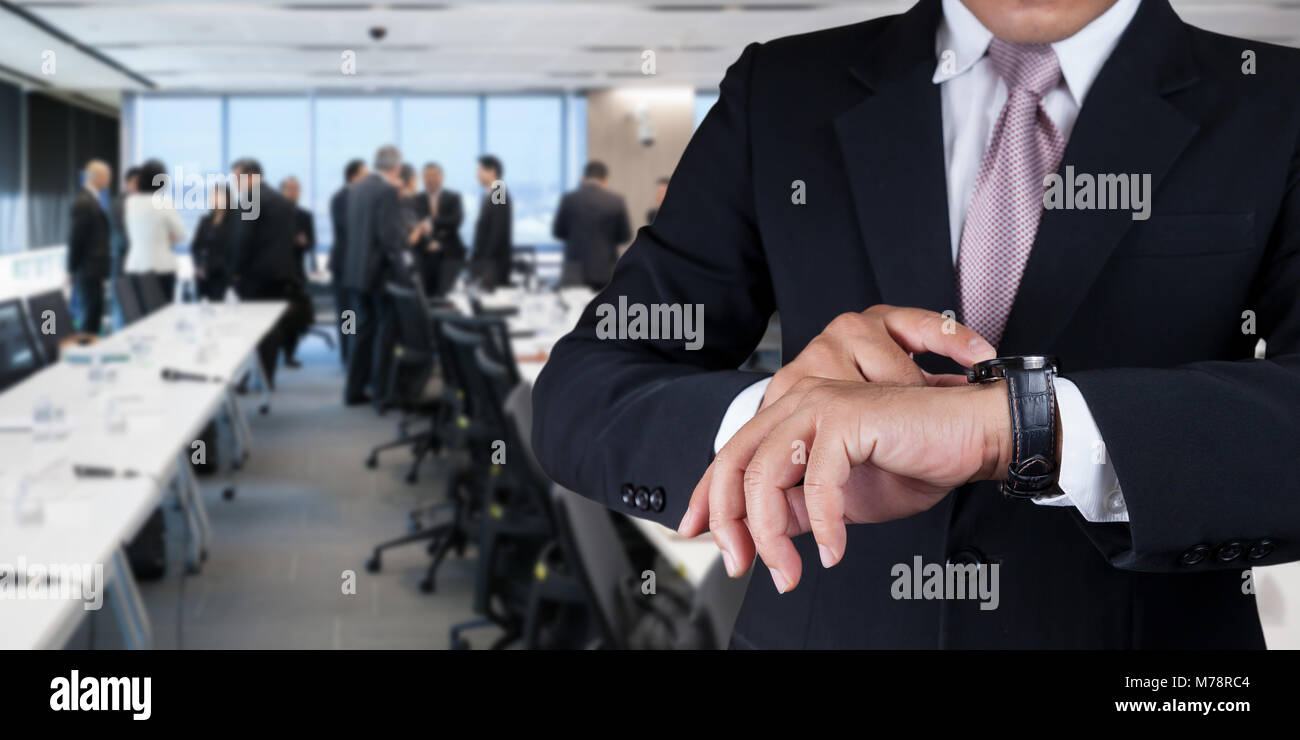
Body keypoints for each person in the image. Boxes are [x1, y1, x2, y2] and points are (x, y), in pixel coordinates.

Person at [533, 0, 1300, 650]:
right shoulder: (782, 92)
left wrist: (1018, 427)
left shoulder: (1278, 103)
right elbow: (584, 388)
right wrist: (787, 426)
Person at [340, 145, 407, 406]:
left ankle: (354, 390)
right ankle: (381, 393)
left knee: (361, 332)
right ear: (396, 168)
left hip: (355, 273)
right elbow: (388, 238)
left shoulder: (355, 189)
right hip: (379, 276)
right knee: (384, 334)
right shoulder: (387, 191)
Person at [228, 158, 300, 388]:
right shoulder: (282, 201)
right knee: (271, 327)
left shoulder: (251, 197)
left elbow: (243, 240)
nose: (235, 183)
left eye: (237, 178)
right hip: (280, 274)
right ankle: (267, 377)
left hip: (254, 275)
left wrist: (235, 272)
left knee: (249, 328)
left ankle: (246, 378)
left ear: (251, 176)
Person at [552, 160, 632, 291]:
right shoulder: (616, 201)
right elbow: (625, 236)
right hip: (605, 269)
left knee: (575, 309)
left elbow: (558, 232)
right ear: (605, 180)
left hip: (575, 270)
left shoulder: (569, 199)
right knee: (603, 310)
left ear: (583, 179)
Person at [123, 158, 185, 302]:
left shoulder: (130, 202)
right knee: (161, 318)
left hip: (135, 266)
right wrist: (167, 237)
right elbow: (181, 234)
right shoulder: (163, 202)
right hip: (161, 268)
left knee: (138, 317)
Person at [67, 160, 112, 335]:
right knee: (89, 318)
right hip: (87, 271)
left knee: (94, 316)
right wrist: (70, 269)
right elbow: (76, 239)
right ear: (98, 177)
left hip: (94, 271)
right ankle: (84, 356)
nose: (109, 180)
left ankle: (90, 353)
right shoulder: (84, 201)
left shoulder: (92, 199)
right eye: (107, 176)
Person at [329, 159, 367, 364]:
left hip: (357, 265)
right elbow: (349, 228)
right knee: (347, 312)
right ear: (353, 177)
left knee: (356, 310)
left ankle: (355, 352)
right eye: (364, 174)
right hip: (344, 265)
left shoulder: (357, 197)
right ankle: (347, 354)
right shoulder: (341, 198)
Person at [408, 162, 466, 297]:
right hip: (425, 254)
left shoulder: (453, 197)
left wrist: (431, 222)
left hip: (450, 251)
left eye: (434, 175)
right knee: (428, 295)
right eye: (427, 176)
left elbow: (455, 221)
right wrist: (428, 242)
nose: (430, 179)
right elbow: (414, 225)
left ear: (442, 177)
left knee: (450, 294)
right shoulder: (416, 199)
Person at [279, 176, 316, 368]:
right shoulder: (274, 214)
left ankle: (290, 354)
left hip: (296, 271)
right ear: (282, 190)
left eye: (297, 188)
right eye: (290, 188)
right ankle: (275, 351)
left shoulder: (305, 215)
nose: (294, 192)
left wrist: (304, 243)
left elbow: (312, 243)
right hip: (275, 272)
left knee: (296, 316)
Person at [469, 154, 511, 289]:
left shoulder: (498, 191)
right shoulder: (490, 193)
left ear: (492, 171)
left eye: (480, 171)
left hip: (493, 264)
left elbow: (497, 232)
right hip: (488, 263)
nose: (477, 175)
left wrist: (485, 263)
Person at [191, 183, 232, 301]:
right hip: (205, 274)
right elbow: (196, 246)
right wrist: (199, 265)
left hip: (224, 275)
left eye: (216, 195)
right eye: (212, 195)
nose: (212, 198)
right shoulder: (205, 220)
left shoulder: (234, 221)